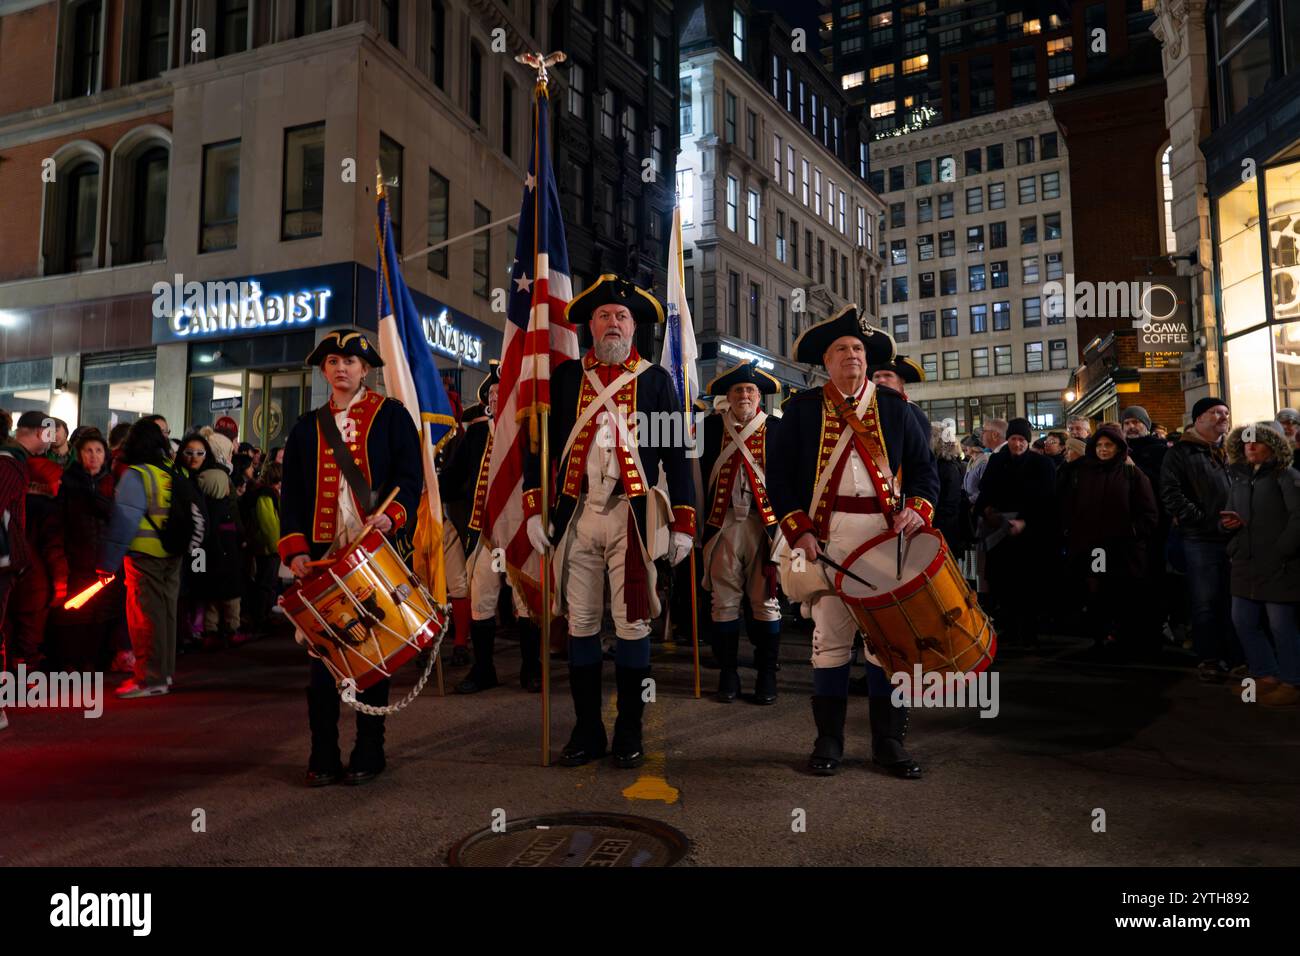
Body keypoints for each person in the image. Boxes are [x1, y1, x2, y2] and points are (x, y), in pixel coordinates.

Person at [524, 275, 697, 769]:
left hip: (632, 517)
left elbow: (679, 452)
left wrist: (683, 521)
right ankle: (586, 730)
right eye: (604, 316)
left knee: (632, 624)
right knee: (579, 624)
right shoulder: (564, 377)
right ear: (590, 326)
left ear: (634, 326)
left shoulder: (656, 380)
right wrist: (536, 505)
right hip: (577, 514)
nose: (613, 323)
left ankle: (629, 729)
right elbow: (538, 443)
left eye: (622, 316)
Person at [767, 306, 938, 779]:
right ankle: (829, 740)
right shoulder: (800, 411)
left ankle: (888, 742)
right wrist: (798, 528)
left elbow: (925, 473)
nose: (852, 356)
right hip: (828, 537)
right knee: (830, 641)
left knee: (888, 644)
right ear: (826, 360)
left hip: (884, 539)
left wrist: (917, 509)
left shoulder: (895, 408)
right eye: (842, 349)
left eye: (859, 349)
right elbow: (778, 480)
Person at [280, 330, 422, 787]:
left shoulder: (392, 416)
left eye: (351, 362)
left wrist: (392, 517)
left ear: (365, 371)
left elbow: (410, 477)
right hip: (323, 556)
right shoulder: (306, 426)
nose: (342, 368)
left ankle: (370, 747)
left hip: (372, 550)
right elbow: (294, 496)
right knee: (322, 658)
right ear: (325, 371)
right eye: (334, 362)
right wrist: (296, 550)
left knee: (372, 654)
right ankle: (323, 751)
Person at [698, 360, 781, 704]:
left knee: (766, 603)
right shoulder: (708, 428)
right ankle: (728, 675)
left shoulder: (776, 429)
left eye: (749, 390)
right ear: (727, 396)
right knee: (724, 603)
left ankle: (766, 675)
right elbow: (694, 474)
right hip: (724, 524)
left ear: (758, 395)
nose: (744, 395)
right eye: (737, 390)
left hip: (764, 527)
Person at [1056, 423, 1159, 657]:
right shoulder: (1083, 472)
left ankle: (1123, 639)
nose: (1103, 449)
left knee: (1123, 593)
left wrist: (1131, 533)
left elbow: (1149, 513)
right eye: (1100, 445)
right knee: (1097, 591)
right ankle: (1100, 638)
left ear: (1117, 447)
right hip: (1094, 548)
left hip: (1123, 548)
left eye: (1108, 445)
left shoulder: (1131, 473)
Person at [100, 419, 186, 698]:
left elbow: (124, 520)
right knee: (167, 616)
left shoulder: (136, 475)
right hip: (173, 553)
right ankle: (165, 673)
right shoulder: (171, 471)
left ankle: (149, 678)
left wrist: (108, 562)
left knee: (145, 618)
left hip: (144, 555)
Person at [1160, 397, 1242, 682]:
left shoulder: (1232, 451)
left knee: (1234, 599)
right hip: (1200, 538)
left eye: (1225, 412)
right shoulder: (1180, 453)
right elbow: (1172, 495)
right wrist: (1207, 521)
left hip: (1234, 537)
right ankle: (1209, 657)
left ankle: (1235, 656)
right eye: (1215, 412)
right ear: (1198, 419)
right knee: (1205, 599)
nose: (1223, 416)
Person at [1221, 422, 1300, 707]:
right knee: (1243, 620)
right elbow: (1231, 514)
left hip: (1278, 565)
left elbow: (1298, 518)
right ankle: (1264, 674)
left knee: (1281, 626)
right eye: (1246, 442)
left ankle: (1292, 681)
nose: (1251, 446)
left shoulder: (1287, 476)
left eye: (1257, 442)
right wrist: (1230, 532)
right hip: (1245, 563)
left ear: (1272, 446)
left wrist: (1282, 551)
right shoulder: (1240, 479)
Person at [973, 417, 1057, 650]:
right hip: (999, 531)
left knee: (1028, 586)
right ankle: (1009, 629)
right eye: (1013, 439)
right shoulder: (997, 461)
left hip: (1030, 535)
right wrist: (986, 510)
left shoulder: (1042, 465)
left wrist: (1026, 521)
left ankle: (1029, 633)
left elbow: (1047, 500)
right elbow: (985, 491)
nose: (1017, 444)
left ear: (1027, 442)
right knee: (1002, 584)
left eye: (1021, 440)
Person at [45, 429, 123, 672]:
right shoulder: (67, 482)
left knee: (101, 614)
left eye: (99, 451)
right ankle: (70, 661)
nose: (94, 456)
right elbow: (57, 524)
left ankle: (93, 660)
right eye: (88, 450)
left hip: (105, 561)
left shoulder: (111, 483)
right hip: (75, 559)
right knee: (74, 613)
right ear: (79, 454)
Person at [1122, 405, 1173, 655]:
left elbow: (1163, 484)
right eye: (1127, 422)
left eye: (1136, 422)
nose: (1132, 427)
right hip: (1124, 530)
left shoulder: (1160, 451)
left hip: (1153, 528)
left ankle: (1153, 634)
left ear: (1146, 424)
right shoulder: (1118, 451)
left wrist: (1135, 470)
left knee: (1152, 580)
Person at [241, 460, 283, 635]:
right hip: (267, 548)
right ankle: (260, 619)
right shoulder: (266, 494)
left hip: (267, 547)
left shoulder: (267, 492)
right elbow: (268, 524)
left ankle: (264, 616)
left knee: (268, 583)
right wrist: (277, 547)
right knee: (265, 584)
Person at [931, 421, 968, 550]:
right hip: (945, 525)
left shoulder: (946, 467)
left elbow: (949, 502)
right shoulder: (947, 464)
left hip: (944, 528)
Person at [963, 418, 1007, 501]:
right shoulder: (995, 456)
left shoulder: (1004, 456)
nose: (981, 435)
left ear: (994, 435)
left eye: (984, 431)